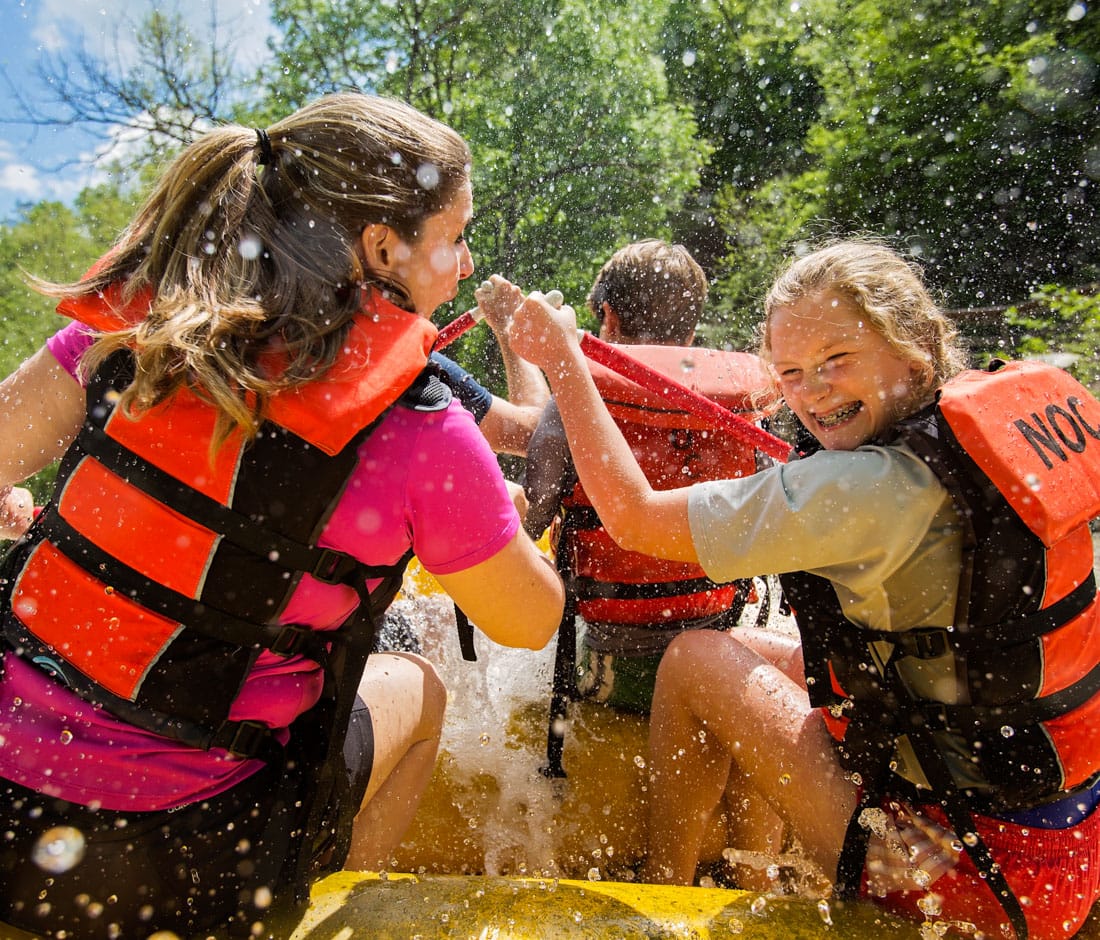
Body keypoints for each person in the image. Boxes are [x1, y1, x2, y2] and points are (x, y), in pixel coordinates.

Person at [0, 91, 564, 940]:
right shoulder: (424, 434)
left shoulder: (125, 335)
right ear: (382, 246)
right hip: (189, 863)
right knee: (421, 689)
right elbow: (530, 621)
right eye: (453, 236)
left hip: (11, 824)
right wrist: (503, 527)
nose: (464, 260)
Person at [506, 238, 1100, 940]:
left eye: (836, 360)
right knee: (757, 644)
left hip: (969, 879)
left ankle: (660, 900)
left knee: (695, 657)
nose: (812, 390)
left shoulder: (861, 487)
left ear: (909, 345)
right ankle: (755, 874)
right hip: (1061, 848)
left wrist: (563, 359)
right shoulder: (976, 432)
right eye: (790, 371)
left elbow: (633, 518)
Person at [521, 239, 769, 720]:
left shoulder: (573, 405)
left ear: (608, 319)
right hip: (722, 652)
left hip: (614, 667)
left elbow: (527, 526)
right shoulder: (739, 412)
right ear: (692, 329)